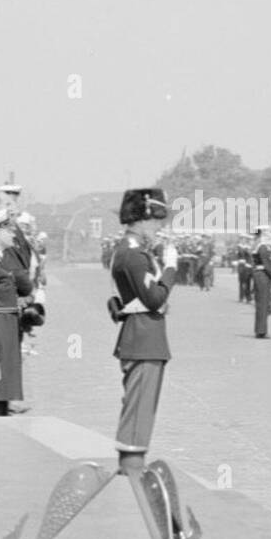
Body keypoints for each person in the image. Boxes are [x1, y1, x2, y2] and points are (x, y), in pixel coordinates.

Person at [110, 188, 177, 478]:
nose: (159, 227)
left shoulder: (132, 251)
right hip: (143, 336)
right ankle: (132, 462)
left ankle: (134, 456)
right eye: (156, 221)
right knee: (140, 402)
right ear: (141, 219)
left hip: (142, 333)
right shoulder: (133, 255)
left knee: (142, 402)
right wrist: (172, 267)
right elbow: (154, 298)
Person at [0, 208, 33, 413]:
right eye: (8, 230)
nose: (13, 234)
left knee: (5, 376)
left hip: (7, 323)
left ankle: (0, 407)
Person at [251, 228, 271, 338]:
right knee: (263, 304)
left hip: (260, 275)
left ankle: (260, 330)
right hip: (263, 275)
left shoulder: (259, 246)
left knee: (262, 304)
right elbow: (267, 265)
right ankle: (261, 331)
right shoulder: (262, 247)